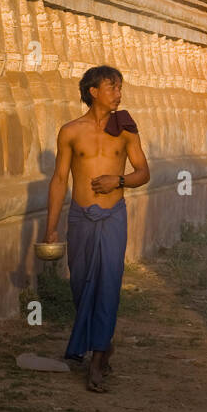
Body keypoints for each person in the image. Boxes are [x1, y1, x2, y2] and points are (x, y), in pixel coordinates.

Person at [43, 65, 150, 392]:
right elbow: (60, 179)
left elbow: (143, 172)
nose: (118, 94)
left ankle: (98, 358)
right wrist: (51, 230)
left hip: (113, 216)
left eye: (119, 87)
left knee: (107, 283)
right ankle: (100, 341)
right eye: (112, 88)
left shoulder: (126, 129)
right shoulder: (70, 132)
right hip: (80, 217)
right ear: (93, 91)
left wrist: (117, 180)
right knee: (80, 283)